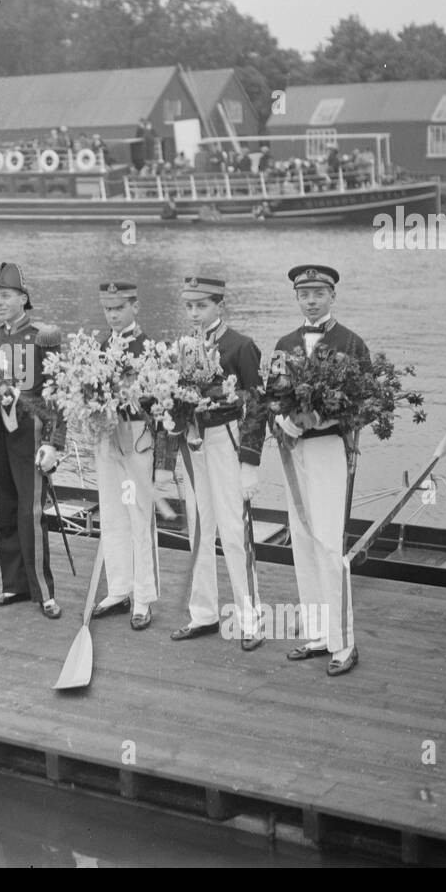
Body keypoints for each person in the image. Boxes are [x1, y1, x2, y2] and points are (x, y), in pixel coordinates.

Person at [273, 264, 368, 677]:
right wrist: (284, 422)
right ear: (296, 298)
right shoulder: (285, 343)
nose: (311, 300)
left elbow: (365, 403)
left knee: (330, 546)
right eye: (304, 294)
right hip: (294, 451)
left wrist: (323, 421)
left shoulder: (351, 342)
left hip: (330, 448)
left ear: (332, 296)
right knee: (303, 542)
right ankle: (317, 633)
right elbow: (272, 396)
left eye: (319, 293)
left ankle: (343, 643)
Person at [170, 274, 267, 651]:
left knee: (233, 531)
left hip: (227, 440)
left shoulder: (240, 346)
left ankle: (251, 619)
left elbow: (258, 404)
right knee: (198, 528)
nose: (195, 313)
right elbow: (173, 396)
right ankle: (204, 613)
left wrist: (250, 462)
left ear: (219, 305)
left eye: (202, 305)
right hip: (194, 443)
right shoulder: (182, 347)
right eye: (190, 306)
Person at [0, 262, 66, 620]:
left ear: (23, 298)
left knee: (31, 512)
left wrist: (55, 442)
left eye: (6, 296)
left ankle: (42, 591)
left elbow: (59, 394)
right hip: (0, 431)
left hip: (31, 433)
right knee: (5, 508)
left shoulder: (42, 337)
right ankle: (13, 584)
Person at [86, 282, 159, 631]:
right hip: (106, 441)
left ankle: (143, 597)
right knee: (112, 513)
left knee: (137, 517)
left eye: (119, 308)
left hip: (134, 442)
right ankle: (119, 588)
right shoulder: (99, 348)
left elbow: (159, 401)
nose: (113, 315)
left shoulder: (150, 350)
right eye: (108, 309)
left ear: (135, 306)